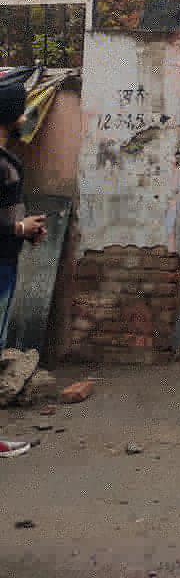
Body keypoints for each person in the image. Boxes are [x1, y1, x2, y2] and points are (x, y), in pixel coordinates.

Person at [0, 77, 46, 459]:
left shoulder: (6, 158)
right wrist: (18, 227)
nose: (25, 115)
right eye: (21, 108)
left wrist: (26, 230)